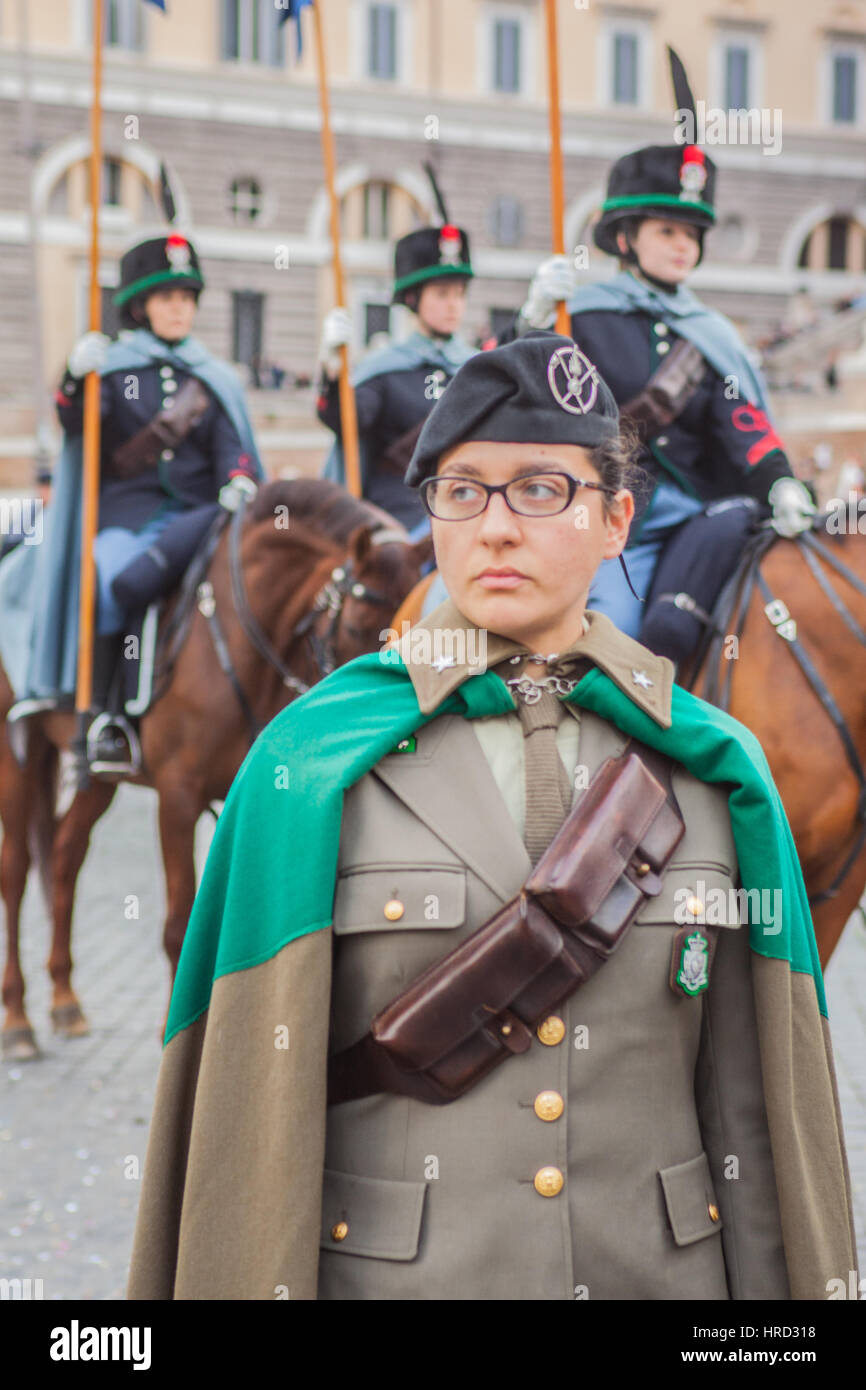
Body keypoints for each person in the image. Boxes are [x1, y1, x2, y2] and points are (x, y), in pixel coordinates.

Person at [127, 332, 854, 1301]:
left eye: (541, 489)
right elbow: (243, 1133)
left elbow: (761, 1113)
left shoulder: (714, 768)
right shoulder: (307, 763)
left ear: (614, 520)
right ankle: (92, 697)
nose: (495, 527)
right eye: (461, 491)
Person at [508, 139, 817, 660]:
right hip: (616, 521)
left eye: (692, 234)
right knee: (609, 643)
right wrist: (533, 321)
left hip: (705, 514)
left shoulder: (710, 333)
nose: (684, 245)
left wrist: (780, 478)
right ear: (626, 238)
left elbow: (739, 418)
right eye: (667, 231)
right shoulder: (581, 316)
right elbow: (525, 394)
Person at [0, 232, 262, 774]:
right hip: (125, 522)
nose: (180, 310)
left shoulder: (211, 378)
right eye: (169, 299)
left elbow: (232, 449)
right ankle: (102, 715)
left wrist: (238, 479)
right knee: (115, 581)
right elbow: (75, 425)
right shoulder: (111, 371)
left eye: (187, 299)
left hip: (197, 521)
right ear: (141, 305)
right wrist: (74, 377)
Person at [316, 222, 476, 532]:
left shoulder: (476, 368)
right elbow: (346, 419)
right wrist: (333, 371)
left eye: (459, 293)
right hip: (398, 511)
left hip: (467, 504)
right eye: (442, 294)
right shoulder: (385, 370)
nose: (454, 305)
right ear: (414, 299)